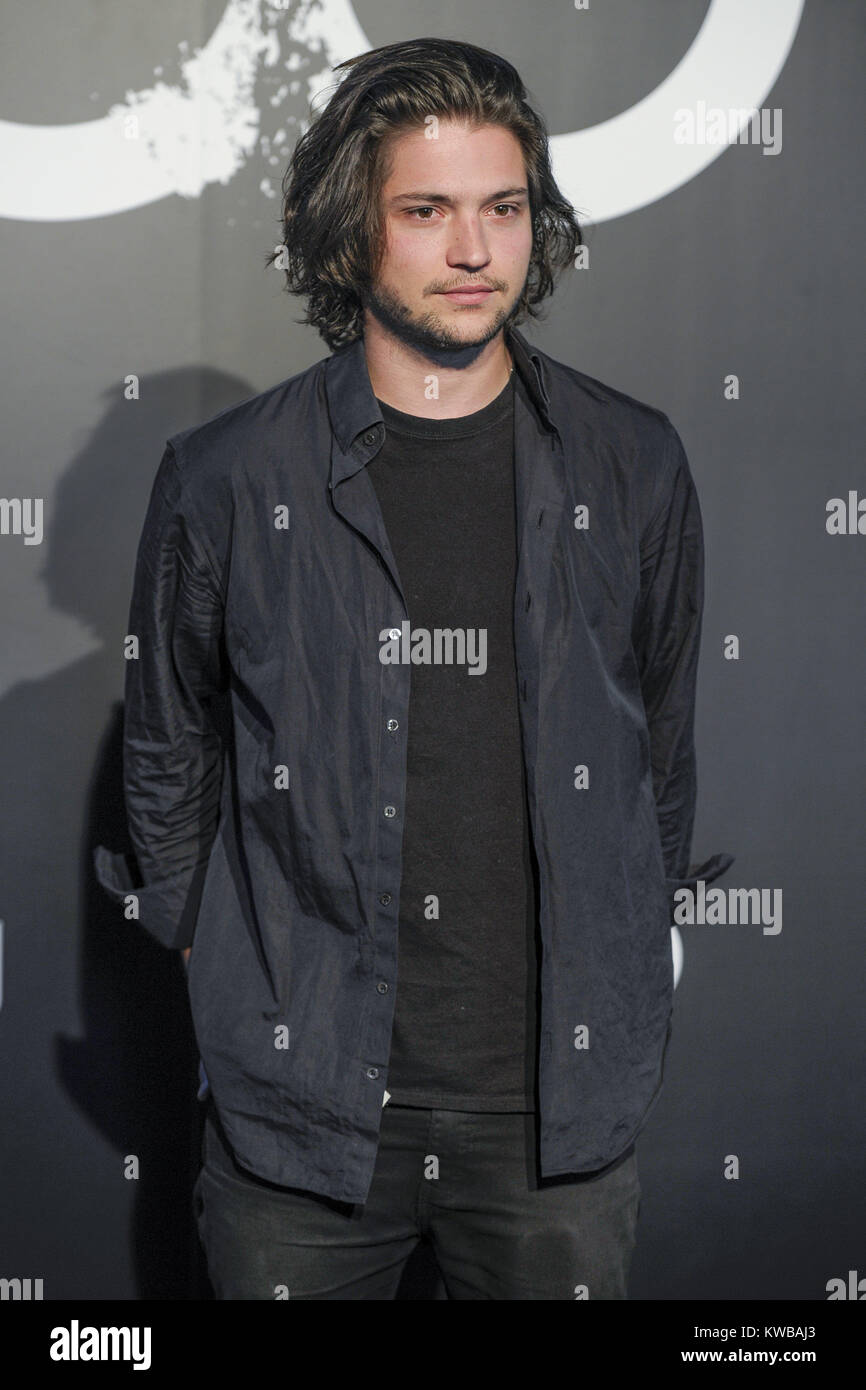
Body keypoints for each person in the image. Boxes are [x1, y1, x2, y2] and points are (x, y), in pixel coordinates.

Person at [95, 36, 733, 1300]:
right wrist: (210, 960)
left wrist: (637, 933)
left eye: (503, 209)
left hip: (556, 1115)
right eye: (426, 210)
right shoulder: (228, 477)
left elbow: (659, 734)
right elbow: (169, 744)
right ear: (352, 230)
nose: (473, 250)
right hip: (303, 1112)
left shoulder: (631, 460)